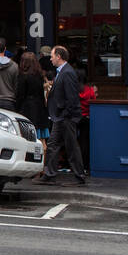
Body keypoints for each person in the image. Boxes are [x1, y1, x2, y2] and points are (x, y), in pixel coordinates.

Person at [34, 46, 85, 185]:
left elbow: (72, 97)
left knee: (71, 146)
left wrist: (65, 114)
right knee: (53, 144)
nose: (50, 59)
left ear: (59, 56)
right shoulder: (62, 72)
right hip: (61, 117)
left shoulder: (67, 73)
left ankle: (79, 175)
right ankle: (49, 174)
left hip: (66, 117)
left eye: (52, 56)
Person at [15, 51, 50, 167]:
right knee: (42, 141)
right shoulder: (40, 76)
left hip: (28, 110)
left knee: (28, 140)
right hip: (40, 109)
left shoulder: (23, 76)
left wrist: (16, 109)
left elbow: (20, 95)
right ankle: (42, 167)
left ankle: (31, 166)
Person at [77, 68, 98, 173]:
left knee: (73, 142)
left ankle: (75, 165)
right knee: (84, 142)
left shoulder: (74, 89)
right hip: (86, 118)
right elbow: (94, 101)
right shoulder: (89, 90)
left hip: (75, 118)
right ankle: (85, 166)